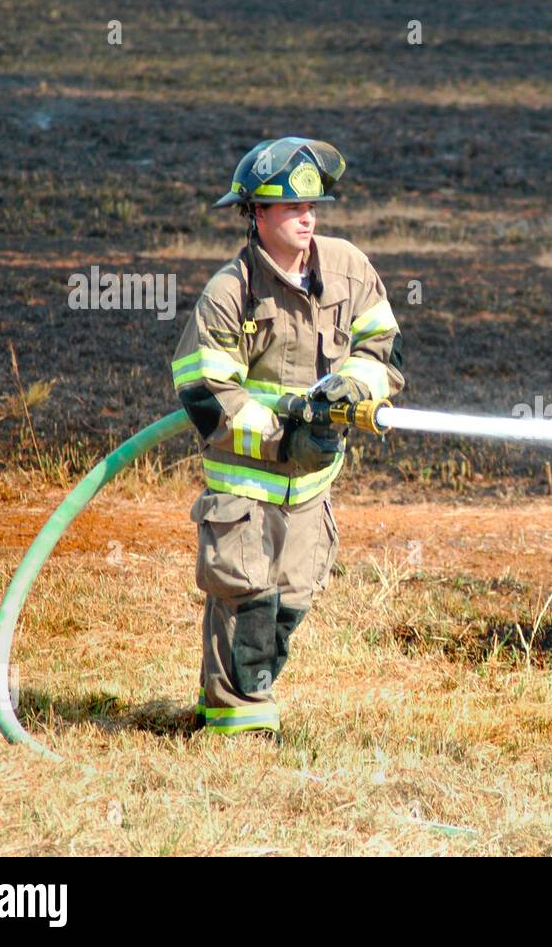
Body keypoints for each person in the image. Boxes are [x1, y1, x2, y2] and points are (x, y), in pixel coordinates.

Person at [170, 137, 404, 740]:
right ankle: (233, 722)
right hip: (246, 484)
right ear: (256, 215)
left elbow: (383, 349)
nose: (308, 217)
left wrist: (352, 388)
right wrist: (282, 438)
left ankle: (247, 701)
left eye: (314, 207)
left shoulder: (349, 269)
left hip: (311, 490)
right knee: (246, 599)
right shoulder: (231, 291)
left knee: (290, 603)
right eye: (291, 208)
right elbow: (204, 389)